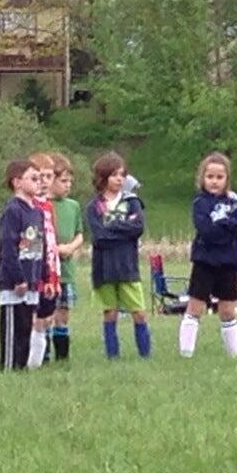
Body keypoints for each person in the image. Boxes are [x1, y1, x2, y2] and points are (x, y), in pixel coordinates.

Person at [179, 152, 237, 358]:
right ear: (203, 178)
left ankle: (235, 354)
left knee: (228, 310)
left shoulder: (235, 203)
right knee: (196, 307)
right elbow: (207, 230)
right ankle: (186, 352)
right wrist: (228, 229)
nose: (214, 181)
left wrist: (225, 223)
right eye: (210, 176)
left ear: (227, 179)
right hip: (205, 262)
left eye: (219, 177)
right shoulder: (200, 203)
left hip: (229, 263)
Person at [86, 152, 151, 360]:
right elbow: (100, 236)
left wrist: (113, 226)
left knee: (139, 312)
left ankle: (145, 355)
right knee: (110, 312)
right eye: (114, 175)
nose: (119, 179)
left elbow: (138, 227)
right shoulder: (93, 207)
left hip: (128, 265)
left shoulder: (132, 202)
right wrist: (123, 229)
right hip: (104, 267)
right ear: (103, 177)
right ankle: (112, 356)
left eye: (122, 175)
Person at [0, 158, 49, 371]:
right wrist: (17, 278)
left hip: (33, 278)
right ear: (17, 182)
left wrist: (41, 275)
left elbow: (40, 245)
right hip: (15, 282)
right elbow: (8, 247)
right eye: (33, 178)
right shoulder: (12, 210)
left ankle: (22, 367)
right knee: (13, 327)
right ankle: (9, 368)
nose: (39, 182)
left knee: (27, 326)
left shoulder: (36, 212)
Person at [50, 152, 85, 360]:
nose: (68, 185)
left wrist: (71, 247)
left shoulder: (73, 206)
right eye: (63, 181)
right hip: (48, 270)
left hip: (67, 270)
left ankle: (62, 356)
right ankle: (42, 354)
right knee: (45, 313)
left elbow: (80, 233)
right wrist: (55, 249)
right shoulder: (43, 205)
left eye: (70, 181)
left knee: (63, 313)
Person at [27, 152, 61, 369]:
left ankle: (39, 360)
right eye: (40, 177)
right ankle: (30, 362)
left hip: (51, 266)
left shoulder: (49, 206)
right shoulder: (30, 207)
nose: (45, 182)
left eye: (49, 177)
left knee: (47, 317)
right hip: (36, 269)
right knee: (33, 317)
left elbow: (52, 238)